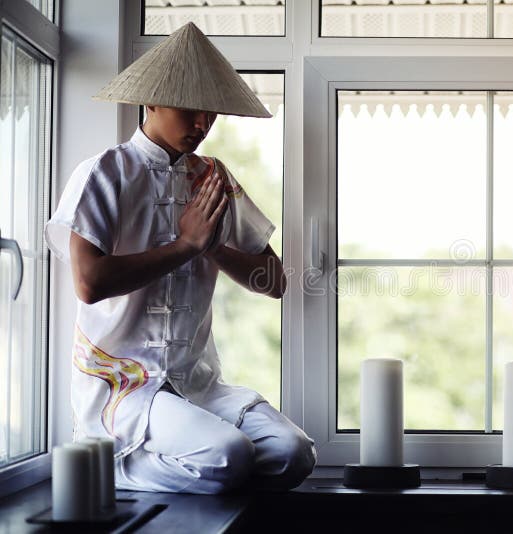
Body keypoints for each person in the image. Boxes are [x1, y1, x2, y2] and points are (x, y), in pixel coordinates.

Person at [45, 22, 316, 494]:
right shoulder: (104, 173)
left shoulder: (215, 177)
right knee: (229, 455)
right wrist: (184, 247)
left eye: (211, 112)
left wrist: (212, 246)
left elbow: (274, 281)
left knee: (294, 454)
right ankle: (109, 465)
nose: (202, 124)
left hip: (198, 383)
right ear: (150, 101)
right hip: (126, 384)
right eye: (191, 110)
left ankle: (199, 470)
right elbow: (88, 283)